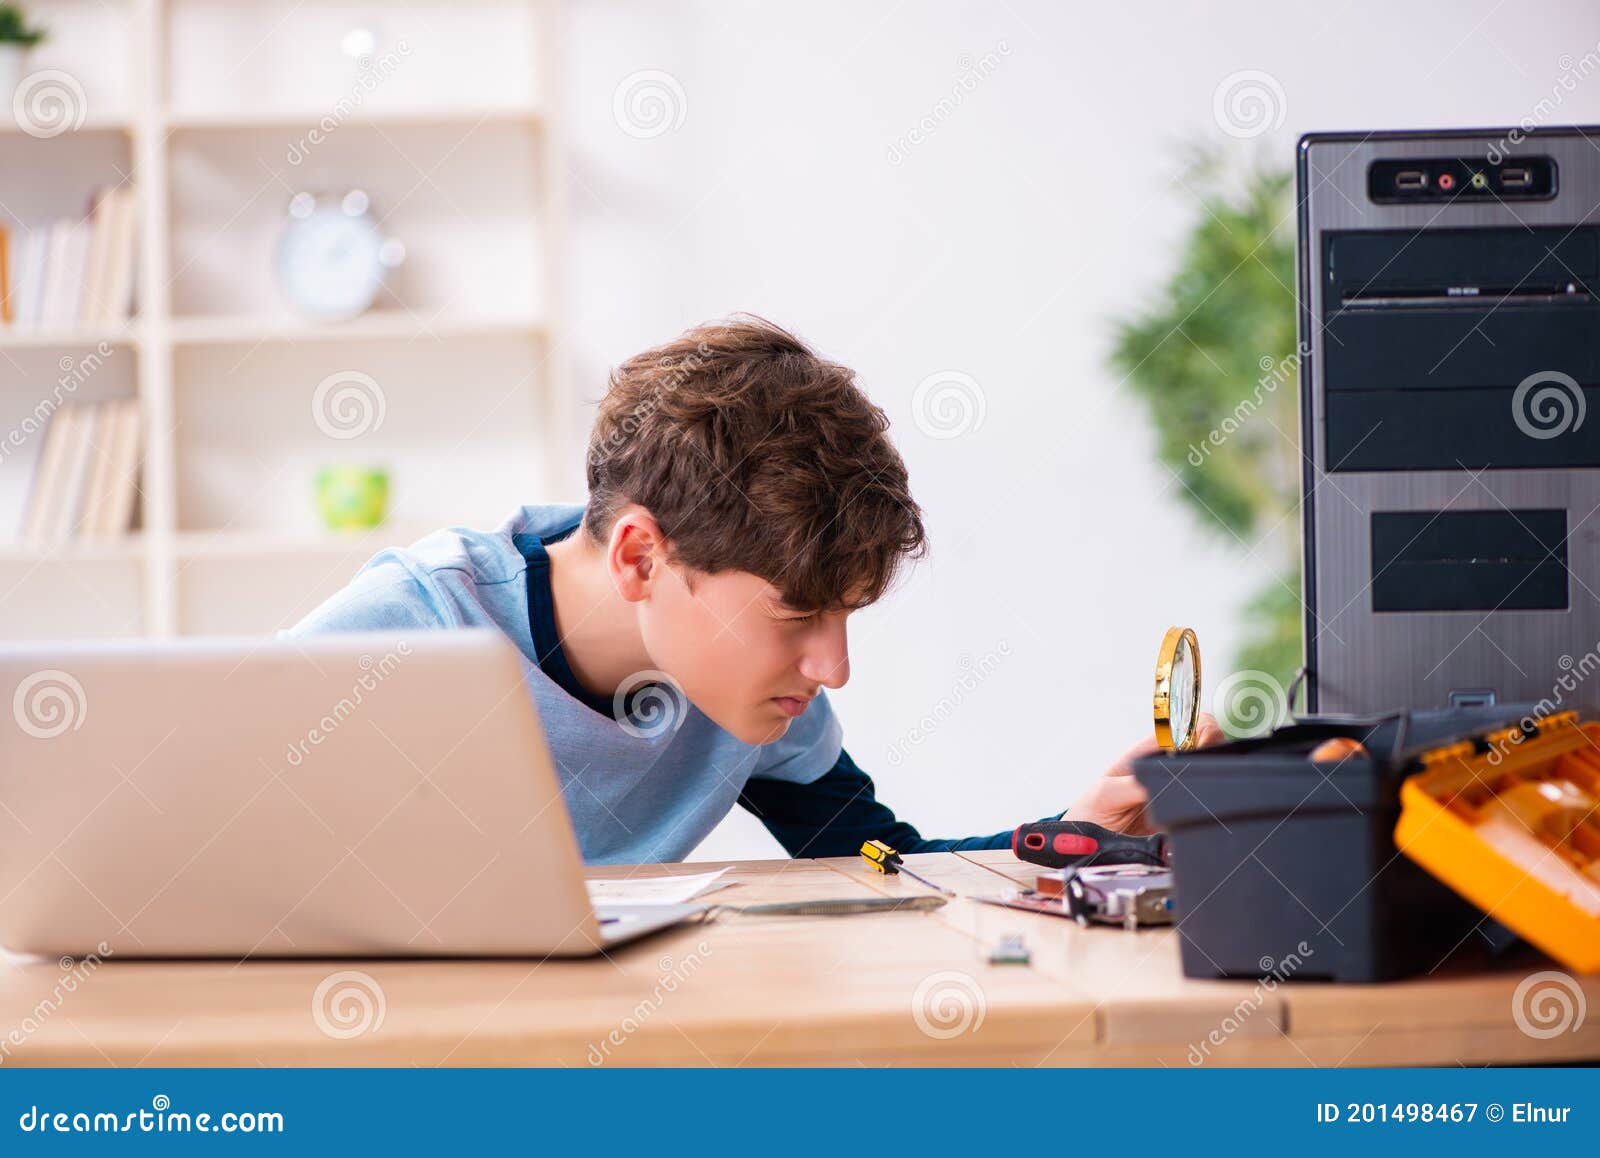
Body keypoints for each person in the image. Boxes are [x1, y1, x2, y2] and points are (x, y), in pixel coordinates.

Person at [291, 315, 1224, 863]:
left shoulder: (749, 700)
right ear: (641, 558)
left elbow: (883, 872)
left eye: (845, 617)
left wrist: (1076, 840)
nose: (833, 668)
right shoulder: (405, 632)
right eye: (796, 616)